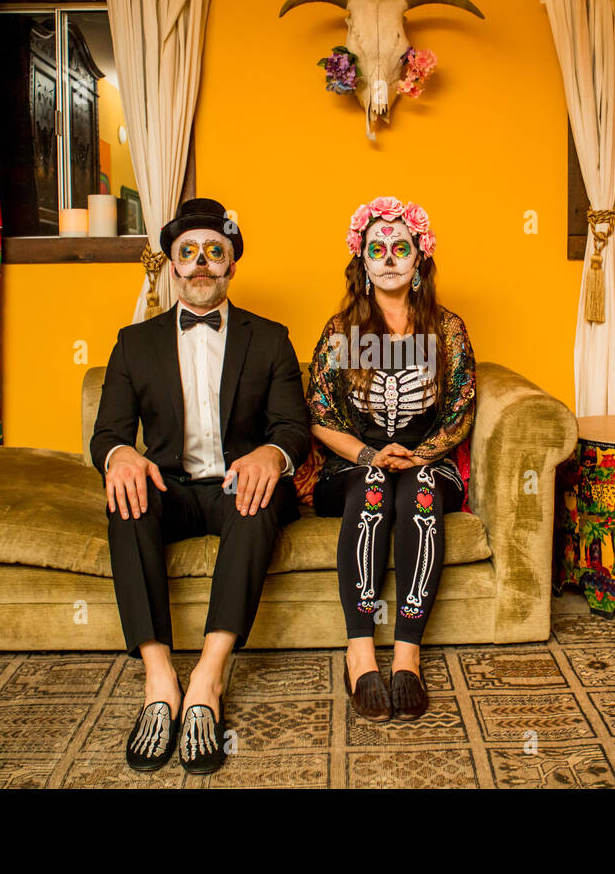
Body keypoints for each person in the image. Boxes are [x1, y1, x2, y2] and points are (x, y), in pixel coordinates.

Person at [91, 197, 310, 774]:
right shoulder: (133, 344)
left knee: (255, 497)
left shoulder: (271, 339)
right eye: (188, 253)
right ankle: (160, 681)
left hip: (241, 484)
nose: (201, 264)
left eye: (215, 252)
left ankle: (208, 682)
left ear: (232, 265)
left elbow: (294, 427)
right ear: (171, 265)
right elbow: (108, 433)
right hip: (173, 486)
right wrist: (121, 457)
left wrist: (272, 452)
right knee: (126, 502)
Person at [306, 195, 476, 722]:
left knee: (419, 489)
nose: (387, 258)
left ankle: (407, 653)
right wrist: (369, 454)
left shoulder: (447, 331)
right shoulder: (341, 333)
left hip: (428, 459)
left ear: (419, 258)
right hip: (353, 465)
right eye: (375, 248)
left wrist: (417, 455)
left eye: (399, 247)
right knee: (374, 487)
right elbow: (319, 412)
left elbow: (461, 409)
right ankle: (359, 651)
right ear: (361, 262)